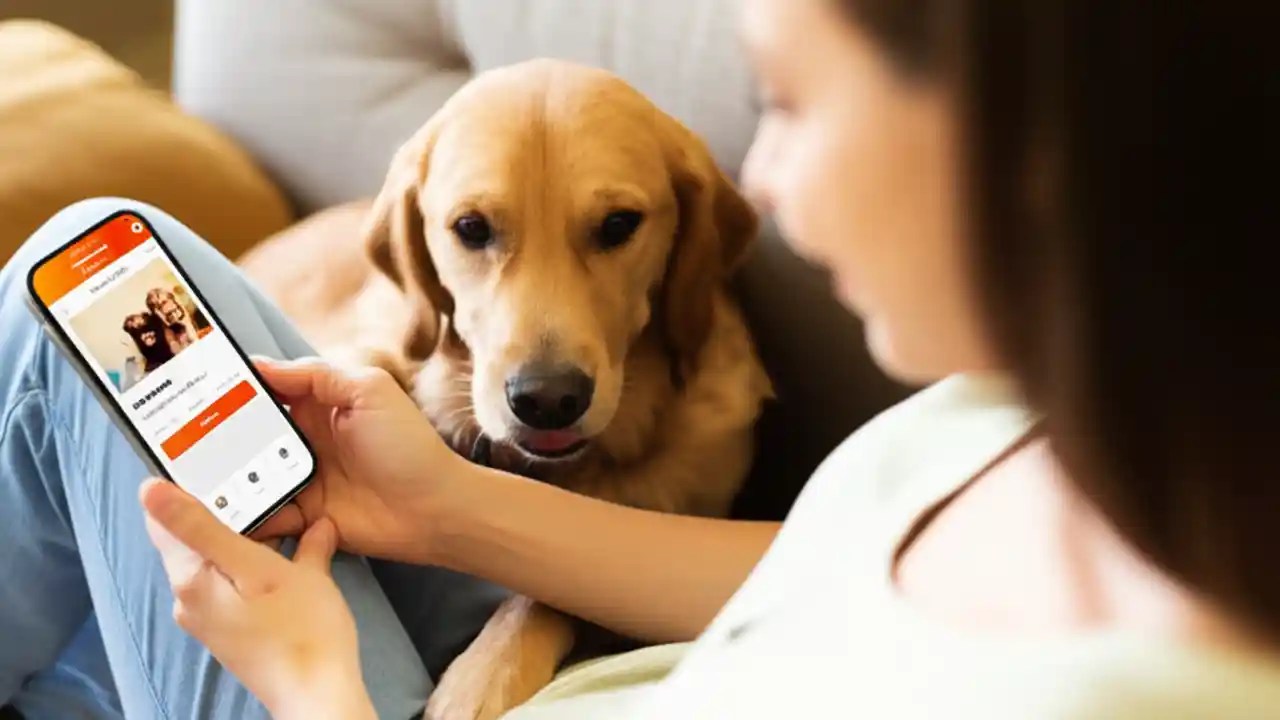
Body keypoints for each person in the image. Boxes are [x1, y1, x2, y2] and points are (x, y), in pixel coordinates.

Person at [0, 0, 1274, 718]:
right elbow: (808, 570)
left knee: (83, 293)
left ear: (1021, 145)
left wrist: (317, 685)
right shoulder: (997, 426)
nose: (753, 181)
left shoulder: (1128, 693)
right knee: (119, 272)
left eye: (790, 102)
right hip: (489, 644)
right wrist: (451, 511)